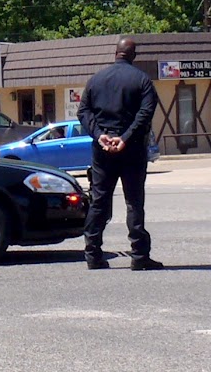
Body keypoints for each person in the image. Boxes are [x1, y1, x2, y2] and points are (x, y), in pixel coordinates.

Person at [78, 37, 162, 271]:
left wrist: (99, 135)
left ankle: (93, 255)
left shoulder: (96, 80)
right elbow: (146, 113)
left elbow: (83, 111)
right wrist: (124, 138)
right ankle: (139, 255)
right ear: (133, 54)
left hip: (102, 150)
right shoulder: (142, 80)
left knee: (99, 200)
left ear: (116, 53)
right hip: (132, 149)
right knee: (134, 201)